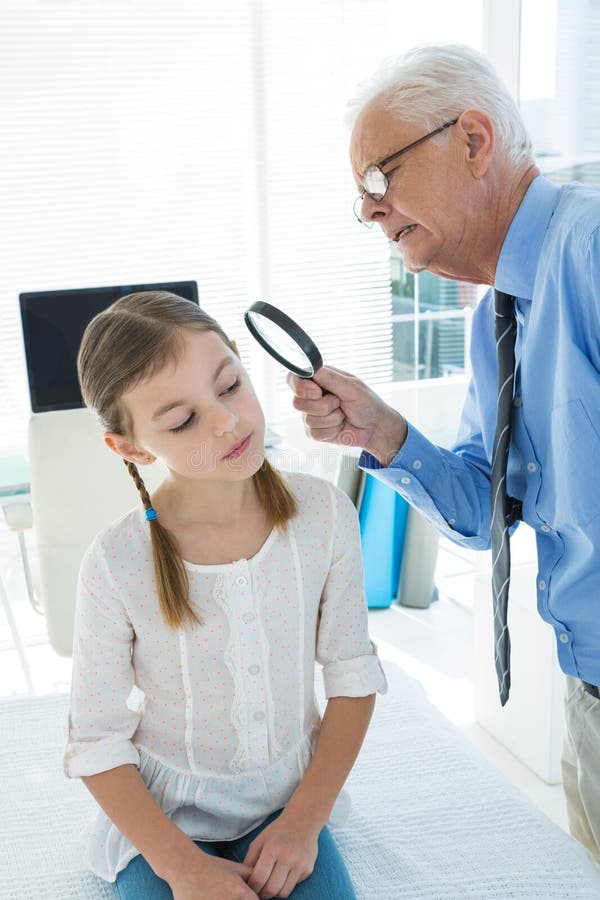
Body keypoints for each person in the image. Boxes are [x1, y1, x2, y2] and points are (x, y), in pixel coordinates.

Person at [288, 43, 600, 863]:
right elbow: (483, 513)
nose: (368, 212)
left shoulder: (593, 250)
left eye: (380, 179)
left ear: (473, 139)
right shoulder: (491, 323)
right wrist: (380, 432)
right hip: (590, 694)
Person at [64, 290, 387, 900]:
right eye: (182, 421)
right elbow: (96, 740)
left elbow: (352, 678)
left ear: (241, 359)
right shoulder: (114, 564)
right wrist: (181, 867)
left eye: (230, 385)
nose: (226, 421)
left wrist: (304, 822)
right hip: (164, 818)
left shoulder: (324, 516)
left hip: (288, 802)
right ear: (129, 447)